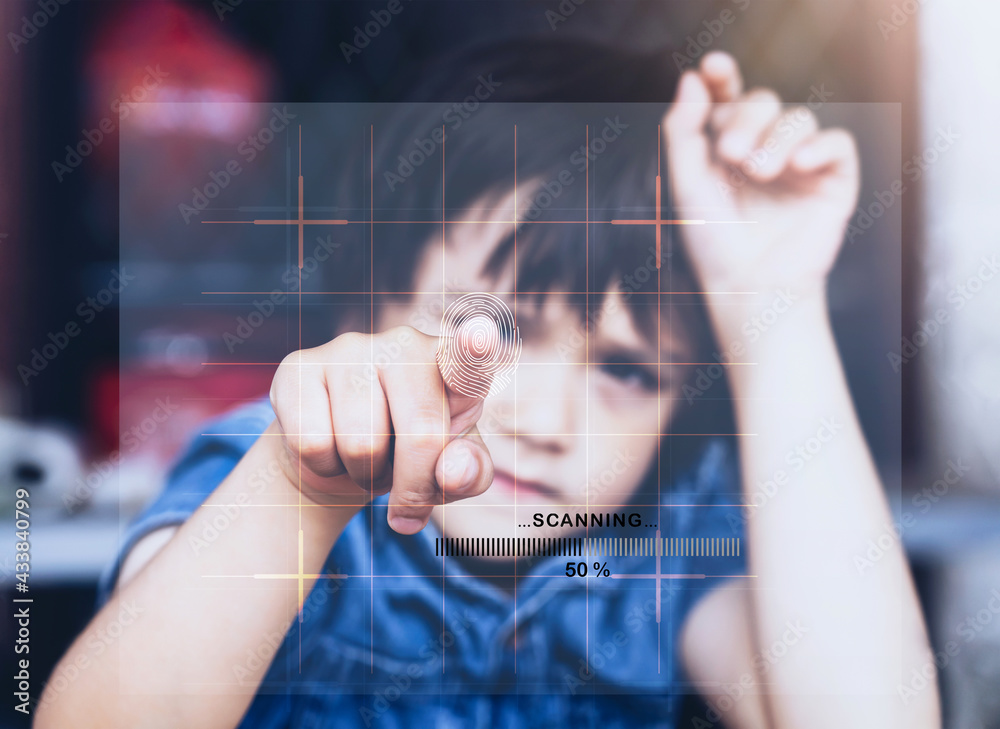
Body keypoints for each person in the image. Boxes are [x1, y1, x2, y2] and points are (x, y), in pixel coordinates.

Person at [37, 43, 940, 729]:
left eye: (628, 371)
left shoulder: (662, 545)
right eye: (491, 334)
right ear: (373, 301)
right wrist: (299, 487)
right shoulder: (274, 462)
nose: (544, 419)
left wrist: (775, 302)